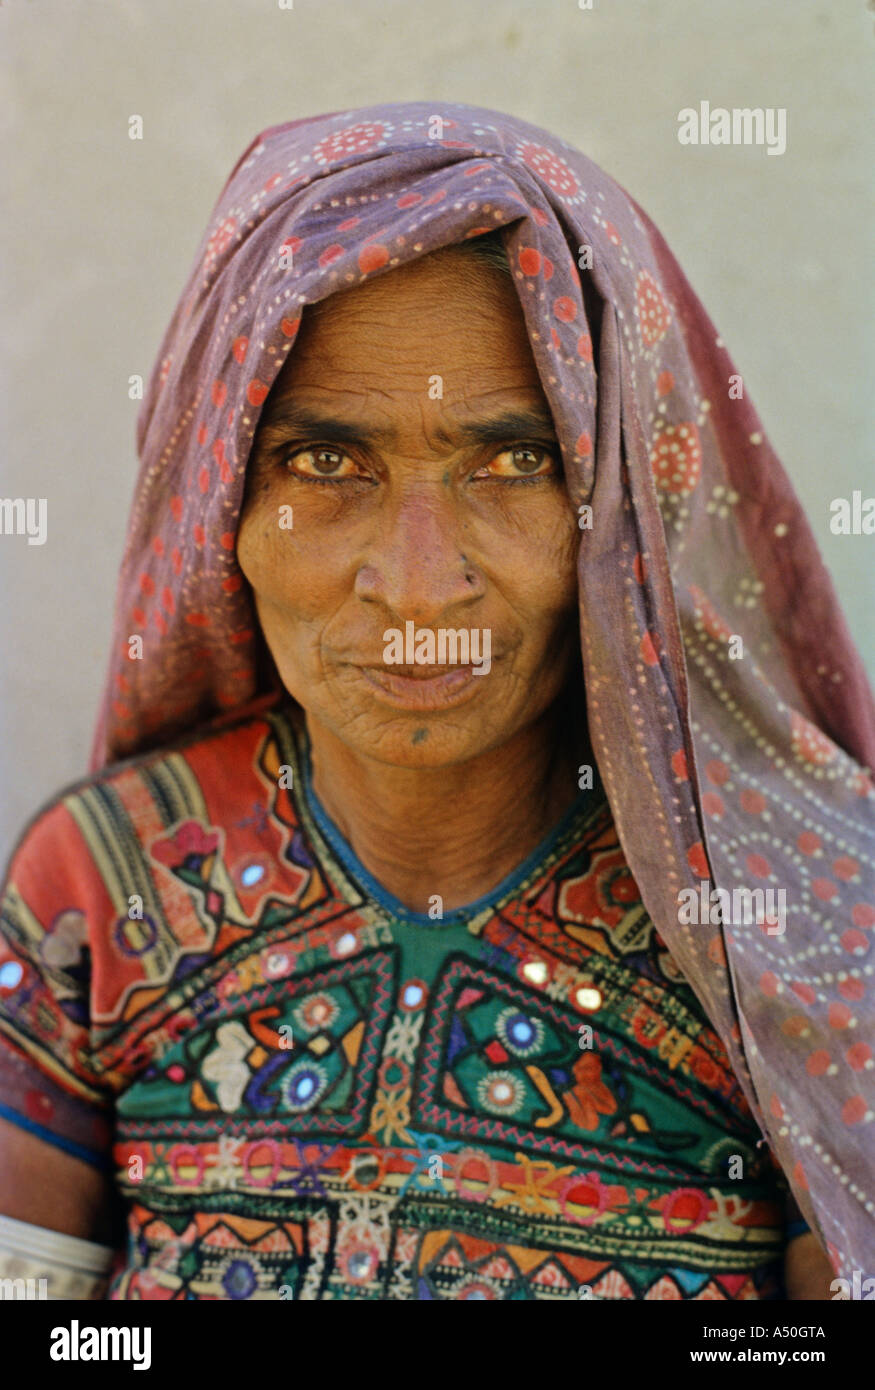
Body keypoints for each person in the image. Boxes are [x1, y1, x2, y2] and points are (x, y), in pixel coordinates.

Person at [0, 101, 870, 1301]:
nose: (416, 582)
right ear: (216, 507)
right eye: (325, 463)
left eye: (512, 463)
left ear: (619, 512)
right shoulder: (105, 882)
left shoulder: (796, 930)